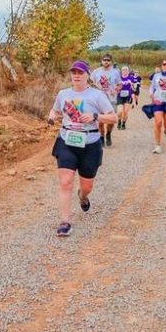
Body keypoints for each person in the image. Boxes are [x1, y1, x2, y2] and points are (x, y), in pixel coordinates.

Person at [47, 60, 117, 237]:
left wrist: (95, 116)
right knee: (65, 181)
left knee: (87, 185)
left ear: (88, 75)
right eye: (74, 72)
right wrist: (51, 117)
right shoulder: (63, 94)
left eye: (80, 72)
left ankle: (83, 196)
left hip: (90, 143)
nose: (76, 75)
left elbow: (113, 118)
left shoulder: (97, 95)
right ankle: (65, 222)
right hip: (67, 140)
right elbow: (55, 111)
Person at [90, 54, 122, 147]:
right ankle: (101, 138)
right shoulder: (96, 72)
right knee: (100, 120)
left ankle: (108, 134)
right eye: (104, 60)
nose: (106, 61)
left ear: (111, 61)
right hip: (98, 99)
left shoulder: (115, 72)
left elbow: (120, 84)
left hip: (111, 99)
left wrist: (116, 90)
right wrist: (95, 86)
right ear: (101, 61)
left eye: (108, 60)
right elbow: (90, 82)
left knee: (111, 120)